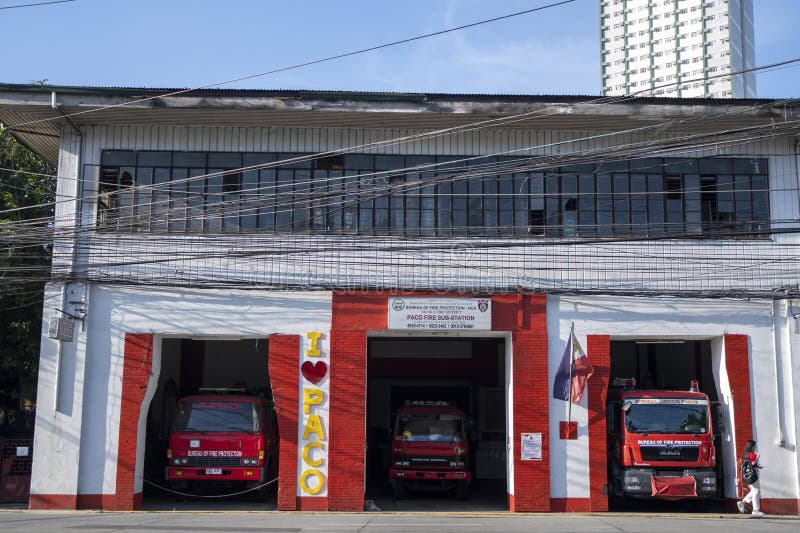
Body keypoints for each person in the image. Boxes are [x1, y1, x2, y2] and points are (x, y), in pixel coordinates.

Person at [737, 439, 765, 518]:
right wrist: (758, 456)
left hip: (746, 476)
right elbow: (752, 463)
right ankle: (755, 510)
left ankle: (743, 503)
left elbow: (748, 464)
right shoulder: (752, 454)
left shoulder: (744, 454)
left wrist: (757, 466)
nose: (755, 447)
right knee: (755, 491)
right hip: (753, 476)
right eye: (754, 446)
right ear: (752, 446)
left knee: (753, 491)